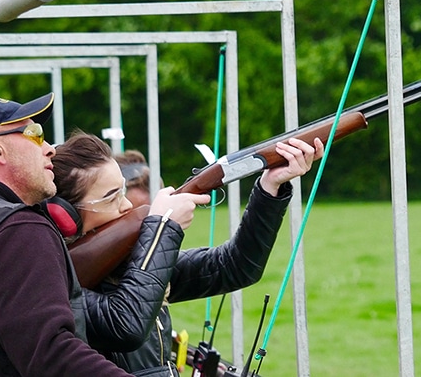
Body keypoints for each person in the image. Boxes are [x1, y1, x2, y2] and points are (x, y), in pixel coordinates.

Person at [51, 131, 323, 375]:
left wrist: (269, 188)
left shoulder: (123, 264)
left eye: (122, 192)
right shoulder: (54, 282)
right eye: (111, 197)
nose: (126, 206)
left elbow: (237, 267)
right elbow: (127, 323)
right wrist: (163, 229)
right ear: (67, 216)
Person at [0, 92, 135, 377]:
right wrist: (163, 225)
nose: (50, 148)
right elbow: (51, 354)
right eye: (34, 134)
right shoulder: (19, 229)